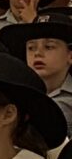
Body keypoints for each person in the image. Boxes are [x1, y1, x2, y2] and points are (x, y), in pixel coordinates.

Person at [12, 11, 72, 140]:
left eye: (49, 47)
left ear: (70, 56)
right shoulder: (17, 95)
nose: (38, 53)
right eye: (31, 48)